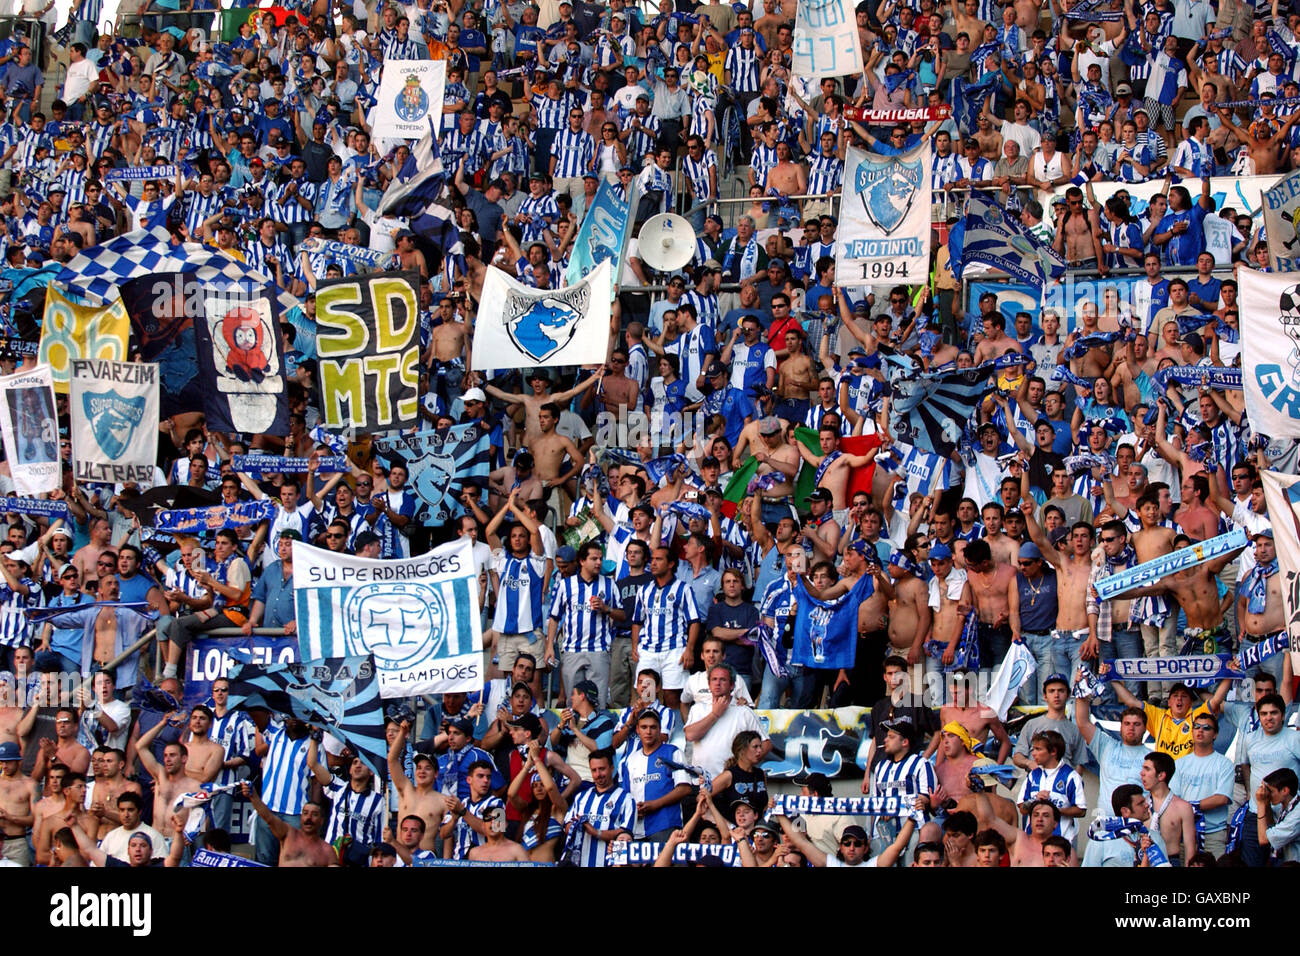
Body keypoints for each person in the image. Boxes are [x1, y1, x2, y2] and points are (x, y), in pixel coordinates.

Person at [683, 664, 771, 777]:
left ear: (732, 685)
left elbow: (766, 744)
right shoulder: (698, 709)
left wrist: (746, 765)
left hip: (733, 781)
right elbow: (690, 735)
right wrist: (715, 714)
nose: (718, 683)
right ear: (709, 684)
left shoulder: (744, 712)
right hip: (702, 780)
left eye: (723, 680)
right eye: (714, 679)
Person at [618, 708, 692, 840]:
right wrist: (634, 810)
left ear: (659, 729)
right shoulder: (631, 759)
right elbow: (626, 795)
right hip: (636, 829)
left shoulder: (673, 752)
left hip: (665, 826)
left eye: (653, 727)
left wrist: (655, 804)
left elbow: (685, 788)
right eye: (644, 727)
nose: (648, 731)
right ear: (637, 730)